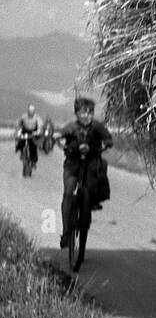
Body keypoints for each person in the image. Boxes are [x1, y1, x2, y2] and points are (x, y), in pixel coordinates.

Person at [59, 96, 113, 248]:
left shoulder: (97, 126)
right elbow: (62, 132)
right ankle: (66, 233)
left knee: (100, 169)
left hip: (91, 162)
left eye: (90, 113)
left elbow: (107, 137)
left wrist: (108, 142)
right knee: (68, 193)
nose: (86, 116)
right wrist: (56, 135)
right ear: (76, 113)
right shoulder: (72, 126)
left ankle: (93, 200)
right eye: (83, 112)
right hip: (73, 163)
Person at [14, 103, 42, 173]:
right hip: (25, 131)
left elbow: (40, 125)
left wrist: (38, 131)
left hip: (33, 132)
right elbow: (18, 123)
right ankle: (20, 151)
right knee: (20, 141)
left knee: (33, 146)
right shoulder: (24, 116)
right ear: (28, 111)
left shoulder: (37, 117)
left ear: (34, 111)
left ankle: (33, 162)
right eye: (30, 110)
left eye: (32, 111)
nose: (31, 112)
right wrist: (18, 129)